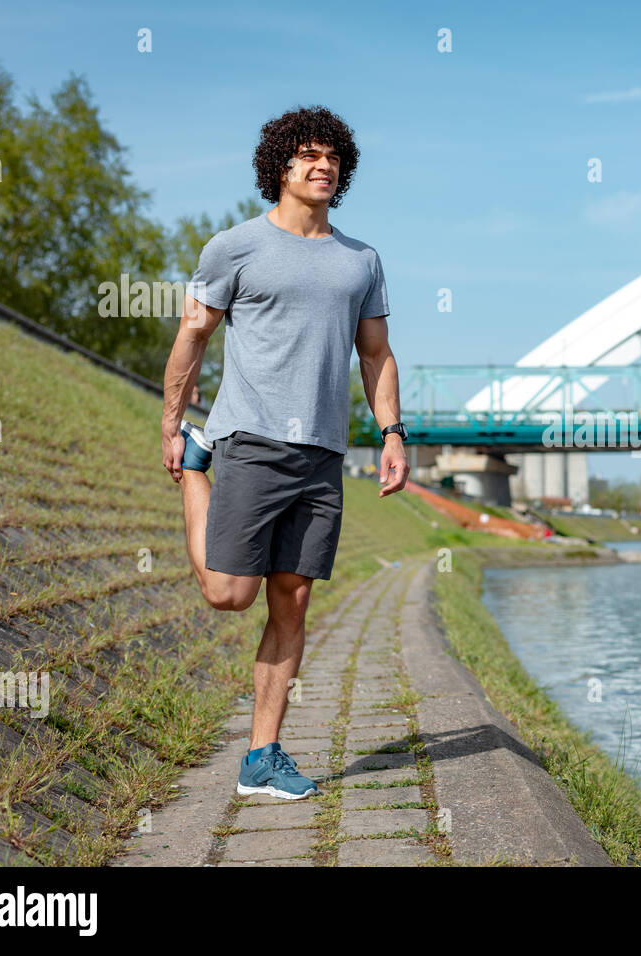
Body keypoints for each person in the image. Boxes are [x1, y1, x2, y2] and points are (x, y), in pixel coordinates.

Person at [159, 105, 410, 800]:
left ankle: (261, 757)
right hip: (251, 438)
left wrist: (392, 432)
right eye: (307, 155)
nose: (321, 166)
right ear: (280, 166)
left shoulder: (362, 260)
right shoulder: (234, 247)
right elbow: (194, 333)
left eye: (331, 157)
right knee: (227, 594)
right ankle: (195, 471)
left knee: (292, 602)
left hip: (323, 451)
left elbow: (377, 354)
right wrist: (172, 419)